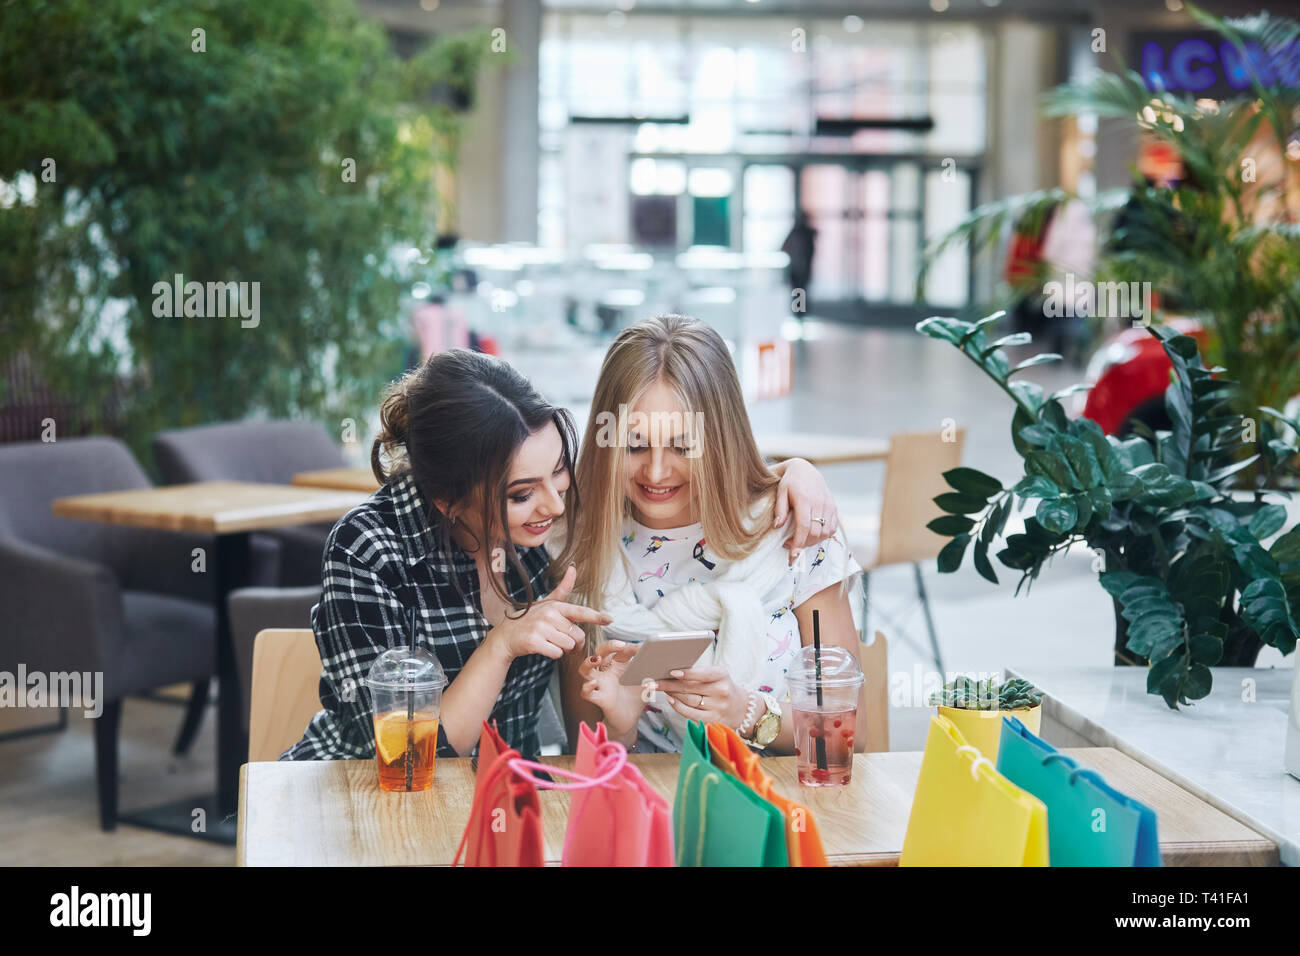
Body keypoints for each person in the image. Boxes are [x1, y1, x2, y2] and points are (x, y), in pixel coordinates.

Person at [281, 349, 612, 761]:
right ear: (447, 500)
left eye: (559, 470)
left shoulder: (543, 536)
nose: (555, 506)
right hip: (369, 801)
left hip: (503, 800)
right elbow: (401, 757)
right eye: (522, 494)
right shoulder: (368, 546)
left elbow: (581, 730)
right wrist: (500, 646)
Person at [563, 315, 863, 756]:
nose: (657, 471)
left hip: (785, 808)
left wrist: (747, 712)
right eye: (635, 445)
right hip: (655, 813)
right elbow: (590, 762)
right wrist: (622, 724)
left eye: (684, 446)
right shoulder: (583, 552)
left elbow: (849, 737)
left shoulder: (796, 534)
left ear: (720, 439)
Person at [780, 211, 817, 316]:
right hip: (798, 269)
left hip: (800, 269)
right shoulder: (800, 234)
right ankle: (799, 314)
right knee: (799, 292)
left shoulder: (804, 234)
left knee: (800, 291)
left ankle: (800, 313)